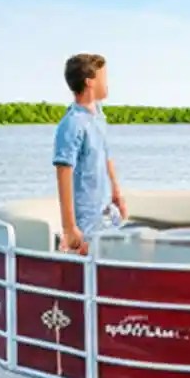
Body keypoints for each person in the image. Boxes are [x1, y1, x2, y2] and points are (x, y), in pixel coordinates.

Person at [52, 53, 128, 255]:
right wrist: (69, 228)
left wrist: (117, 194)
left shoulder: (99, 115)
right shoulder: (72, 123)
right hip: (87, 220)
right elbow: (63, 172)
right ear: (90, 82)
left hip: (107, 214)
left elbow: (106, 155)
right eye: (104, 77)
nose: (108, 83)